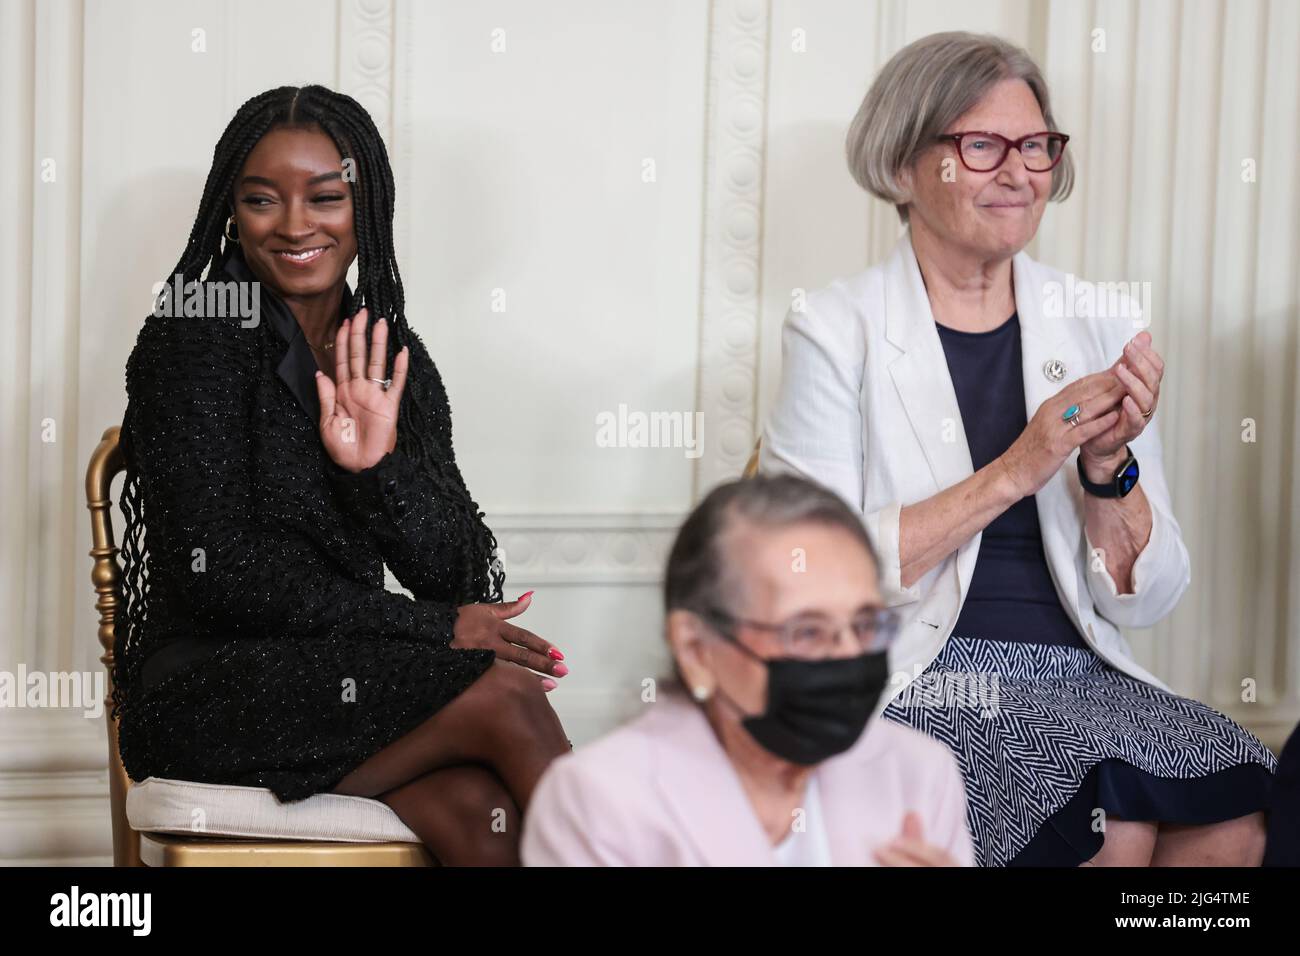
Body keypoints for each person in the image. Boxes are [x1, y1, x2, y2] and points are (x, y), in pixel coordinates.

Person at [759, 32, 1275, 866]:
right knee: (1114, 828)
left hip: (1086, 673)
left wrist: (1110, 473)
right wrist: (1019, 467)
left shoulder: (1099, 319)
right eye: (981, 145)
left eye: (1035, 145)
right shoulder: (834, 328)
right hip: (925, 677)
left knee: (1236, 818)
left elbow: (1148, 599)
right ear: (902, 165)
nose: (1019, 172)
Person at [112, 85, 570, 865]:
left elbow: (459, 573)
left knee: (481, 812)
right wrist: (432, 629)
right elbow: (218, 573)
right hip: (207, 689)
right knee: (507, 696)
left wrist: (377, 469)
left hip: (343, 678)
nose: (295, 225)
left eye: (324, 198)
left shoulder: (392, 355)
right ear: (232, 208)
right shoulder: (192, 337)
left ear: (366, 208)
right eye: (262, 200)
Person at [522, 475, 974, 866]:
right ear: (697, 650)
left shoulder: (919, 772)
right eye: (808, 632)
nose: (847, 656)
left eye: (864, 624)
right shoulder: (597, 799)